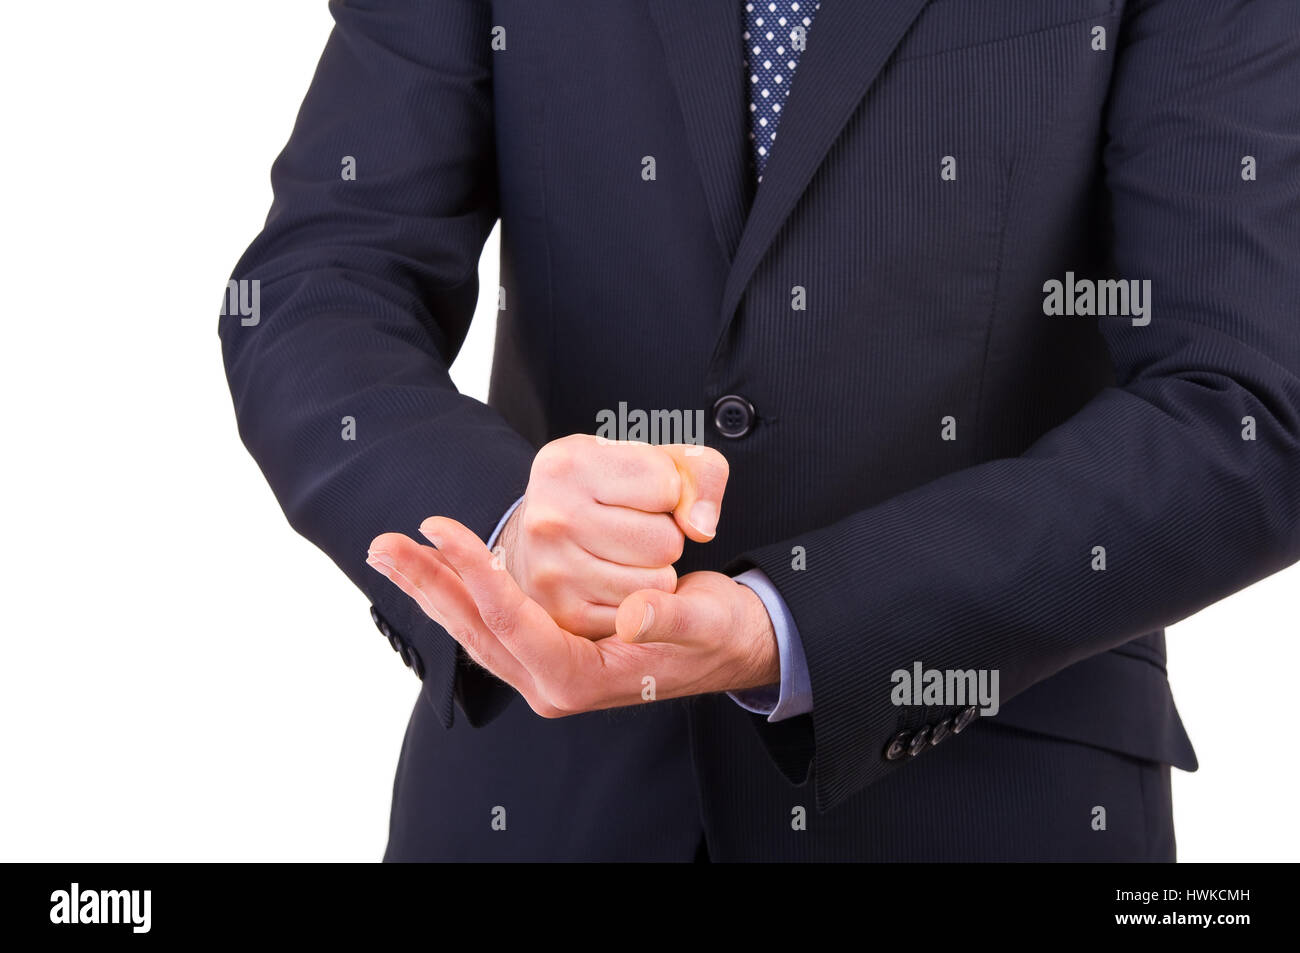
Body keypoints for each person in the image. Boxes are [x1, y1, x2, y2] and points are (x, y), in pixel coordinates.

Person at [219, 0, 1300, 861]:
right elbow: (321, 282)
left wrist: (796, 623)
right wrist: (506, 534)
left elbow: (1248, 402)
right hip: (538, 805)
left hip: (982, 802)